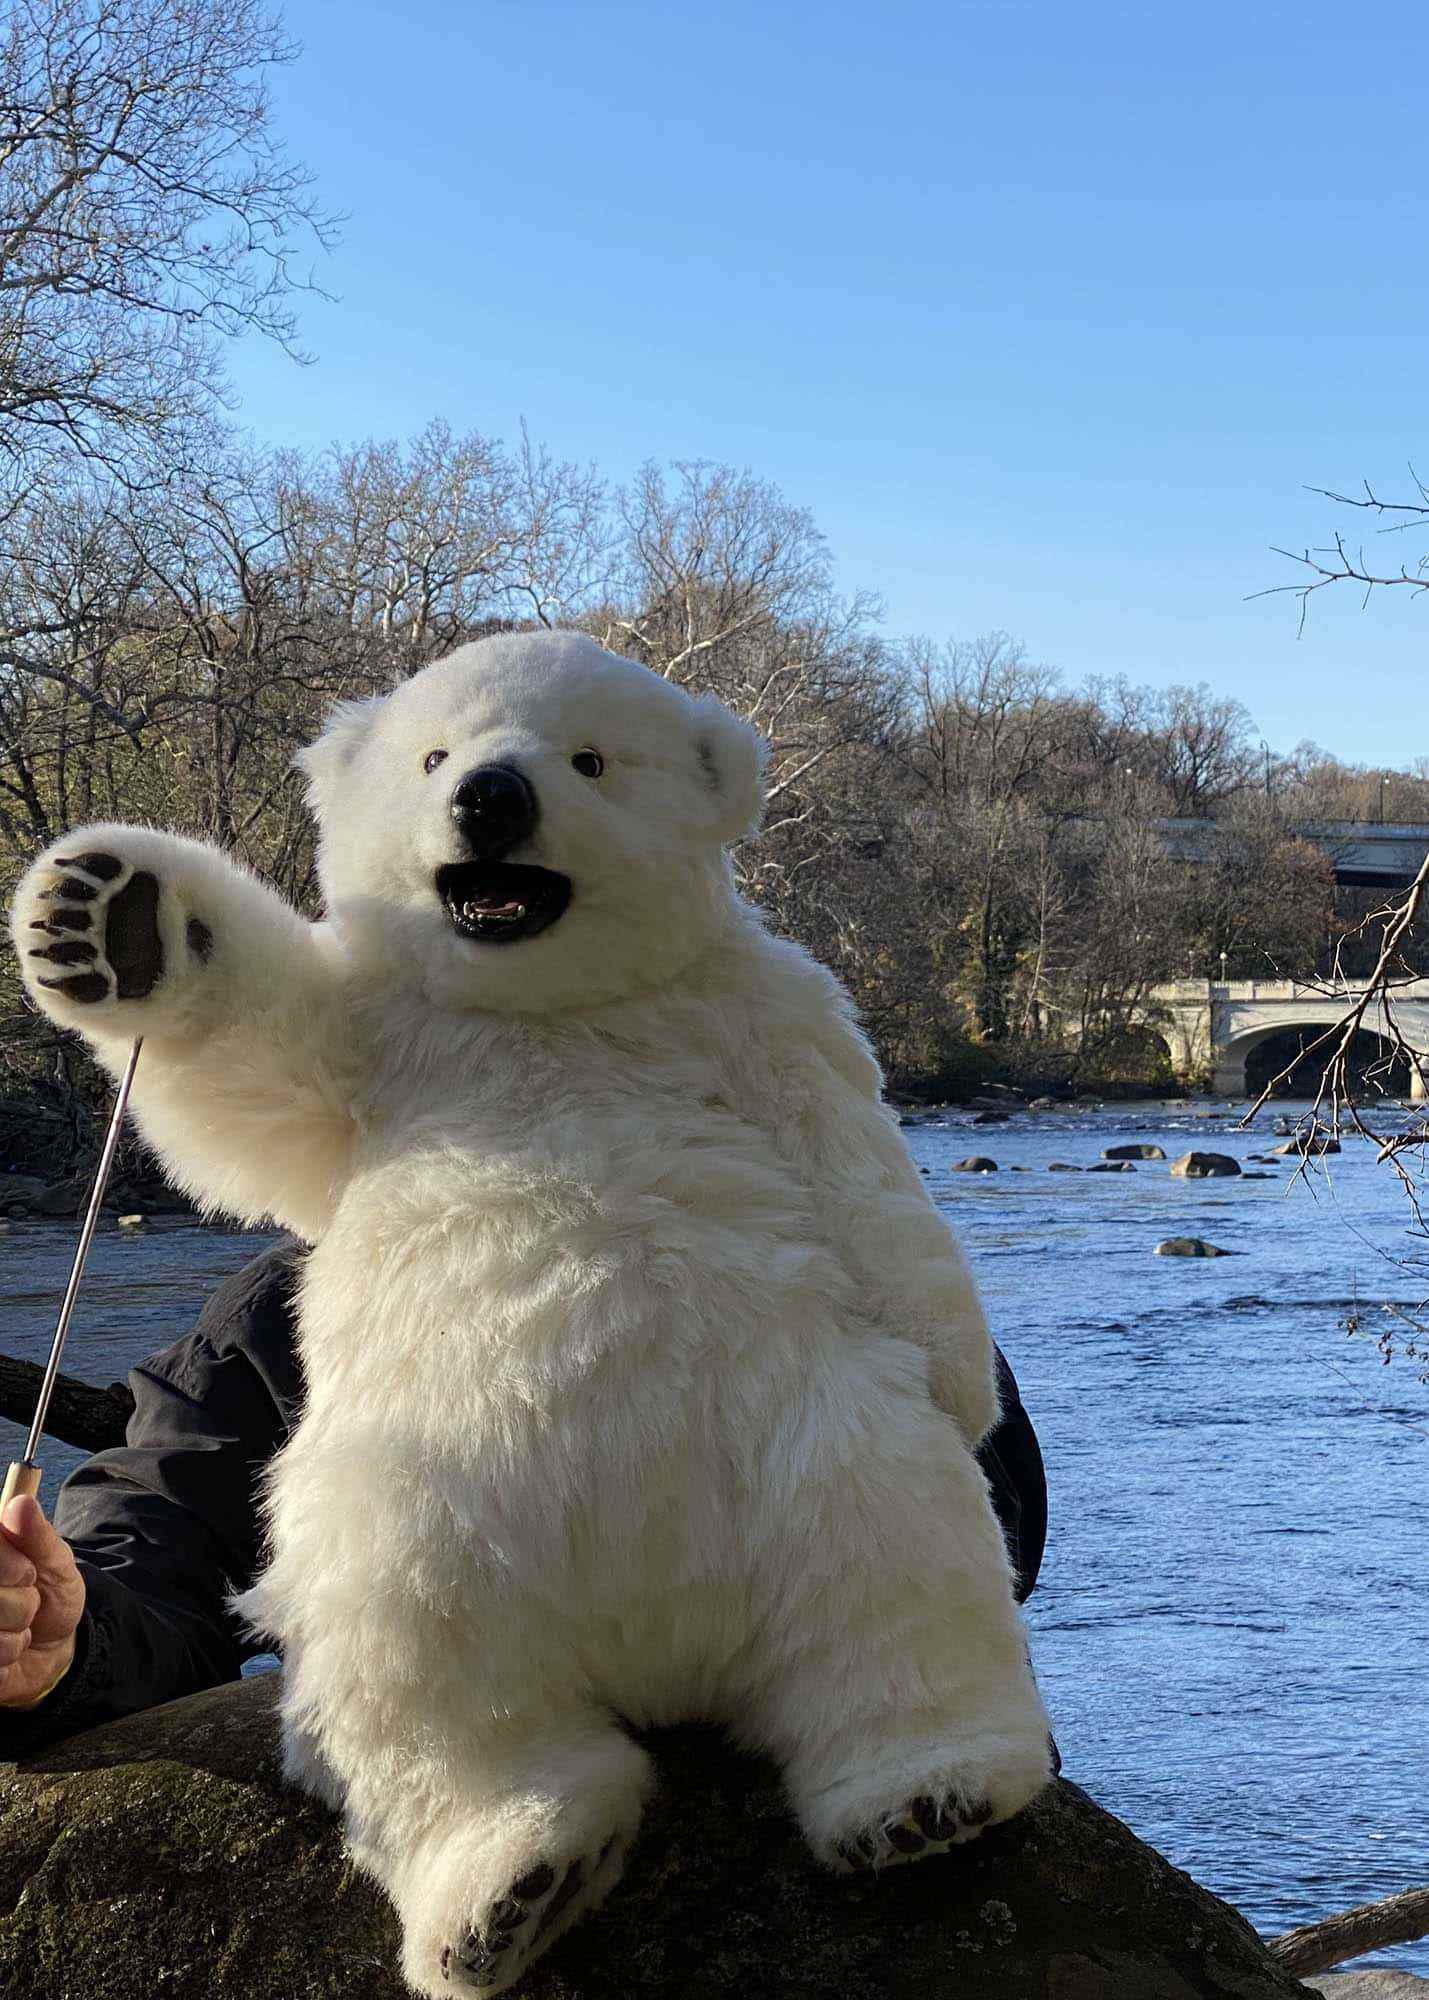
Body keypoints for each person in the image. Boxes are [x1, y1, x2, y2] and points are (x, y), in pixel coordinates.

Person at [0, 1242, 1050, 1755]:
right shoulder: (290, 1306)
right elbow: (160, 1529)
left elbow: (993, 1528)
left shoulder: (850, 1266)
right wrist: (65, 1637)